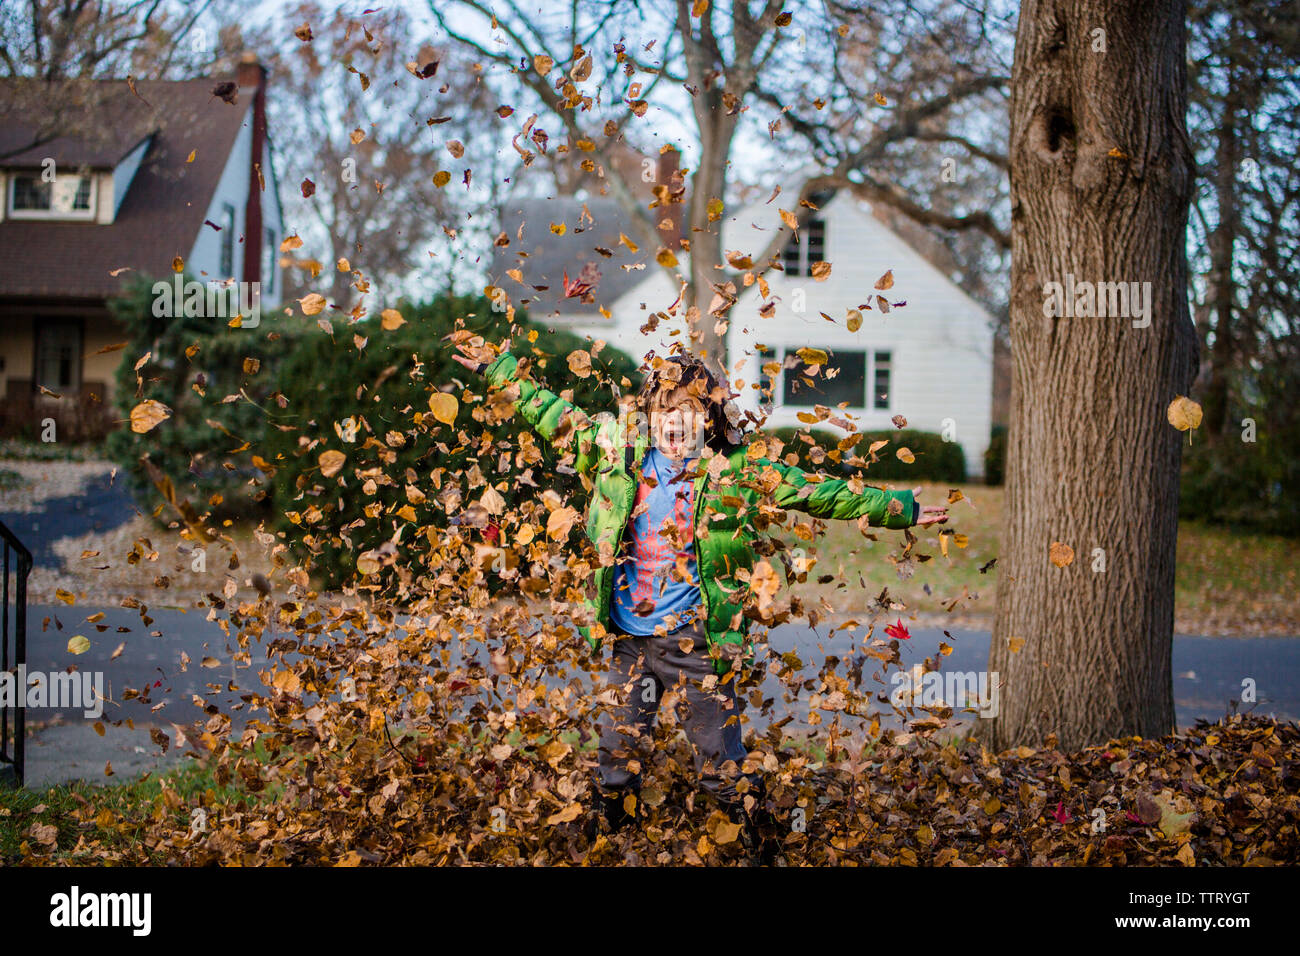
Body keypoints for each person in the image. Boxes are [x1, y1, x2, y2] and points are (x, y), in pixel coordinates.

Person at [452, 338, 948, 861]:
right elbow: (551, 412)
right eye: (665, 409)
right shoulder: (616, 451)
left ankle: (766, 844)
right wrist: (497, 367)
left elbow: (815, 491)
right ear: (649, 413)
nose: (674, 422)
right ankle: (611, 838)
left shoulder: (737, 471)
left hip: (698, 647)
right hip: (631, 641)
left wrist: (896, 508)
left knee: (719, 766)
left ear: (708, 416)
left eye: (688, 409)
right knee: (616, 758)